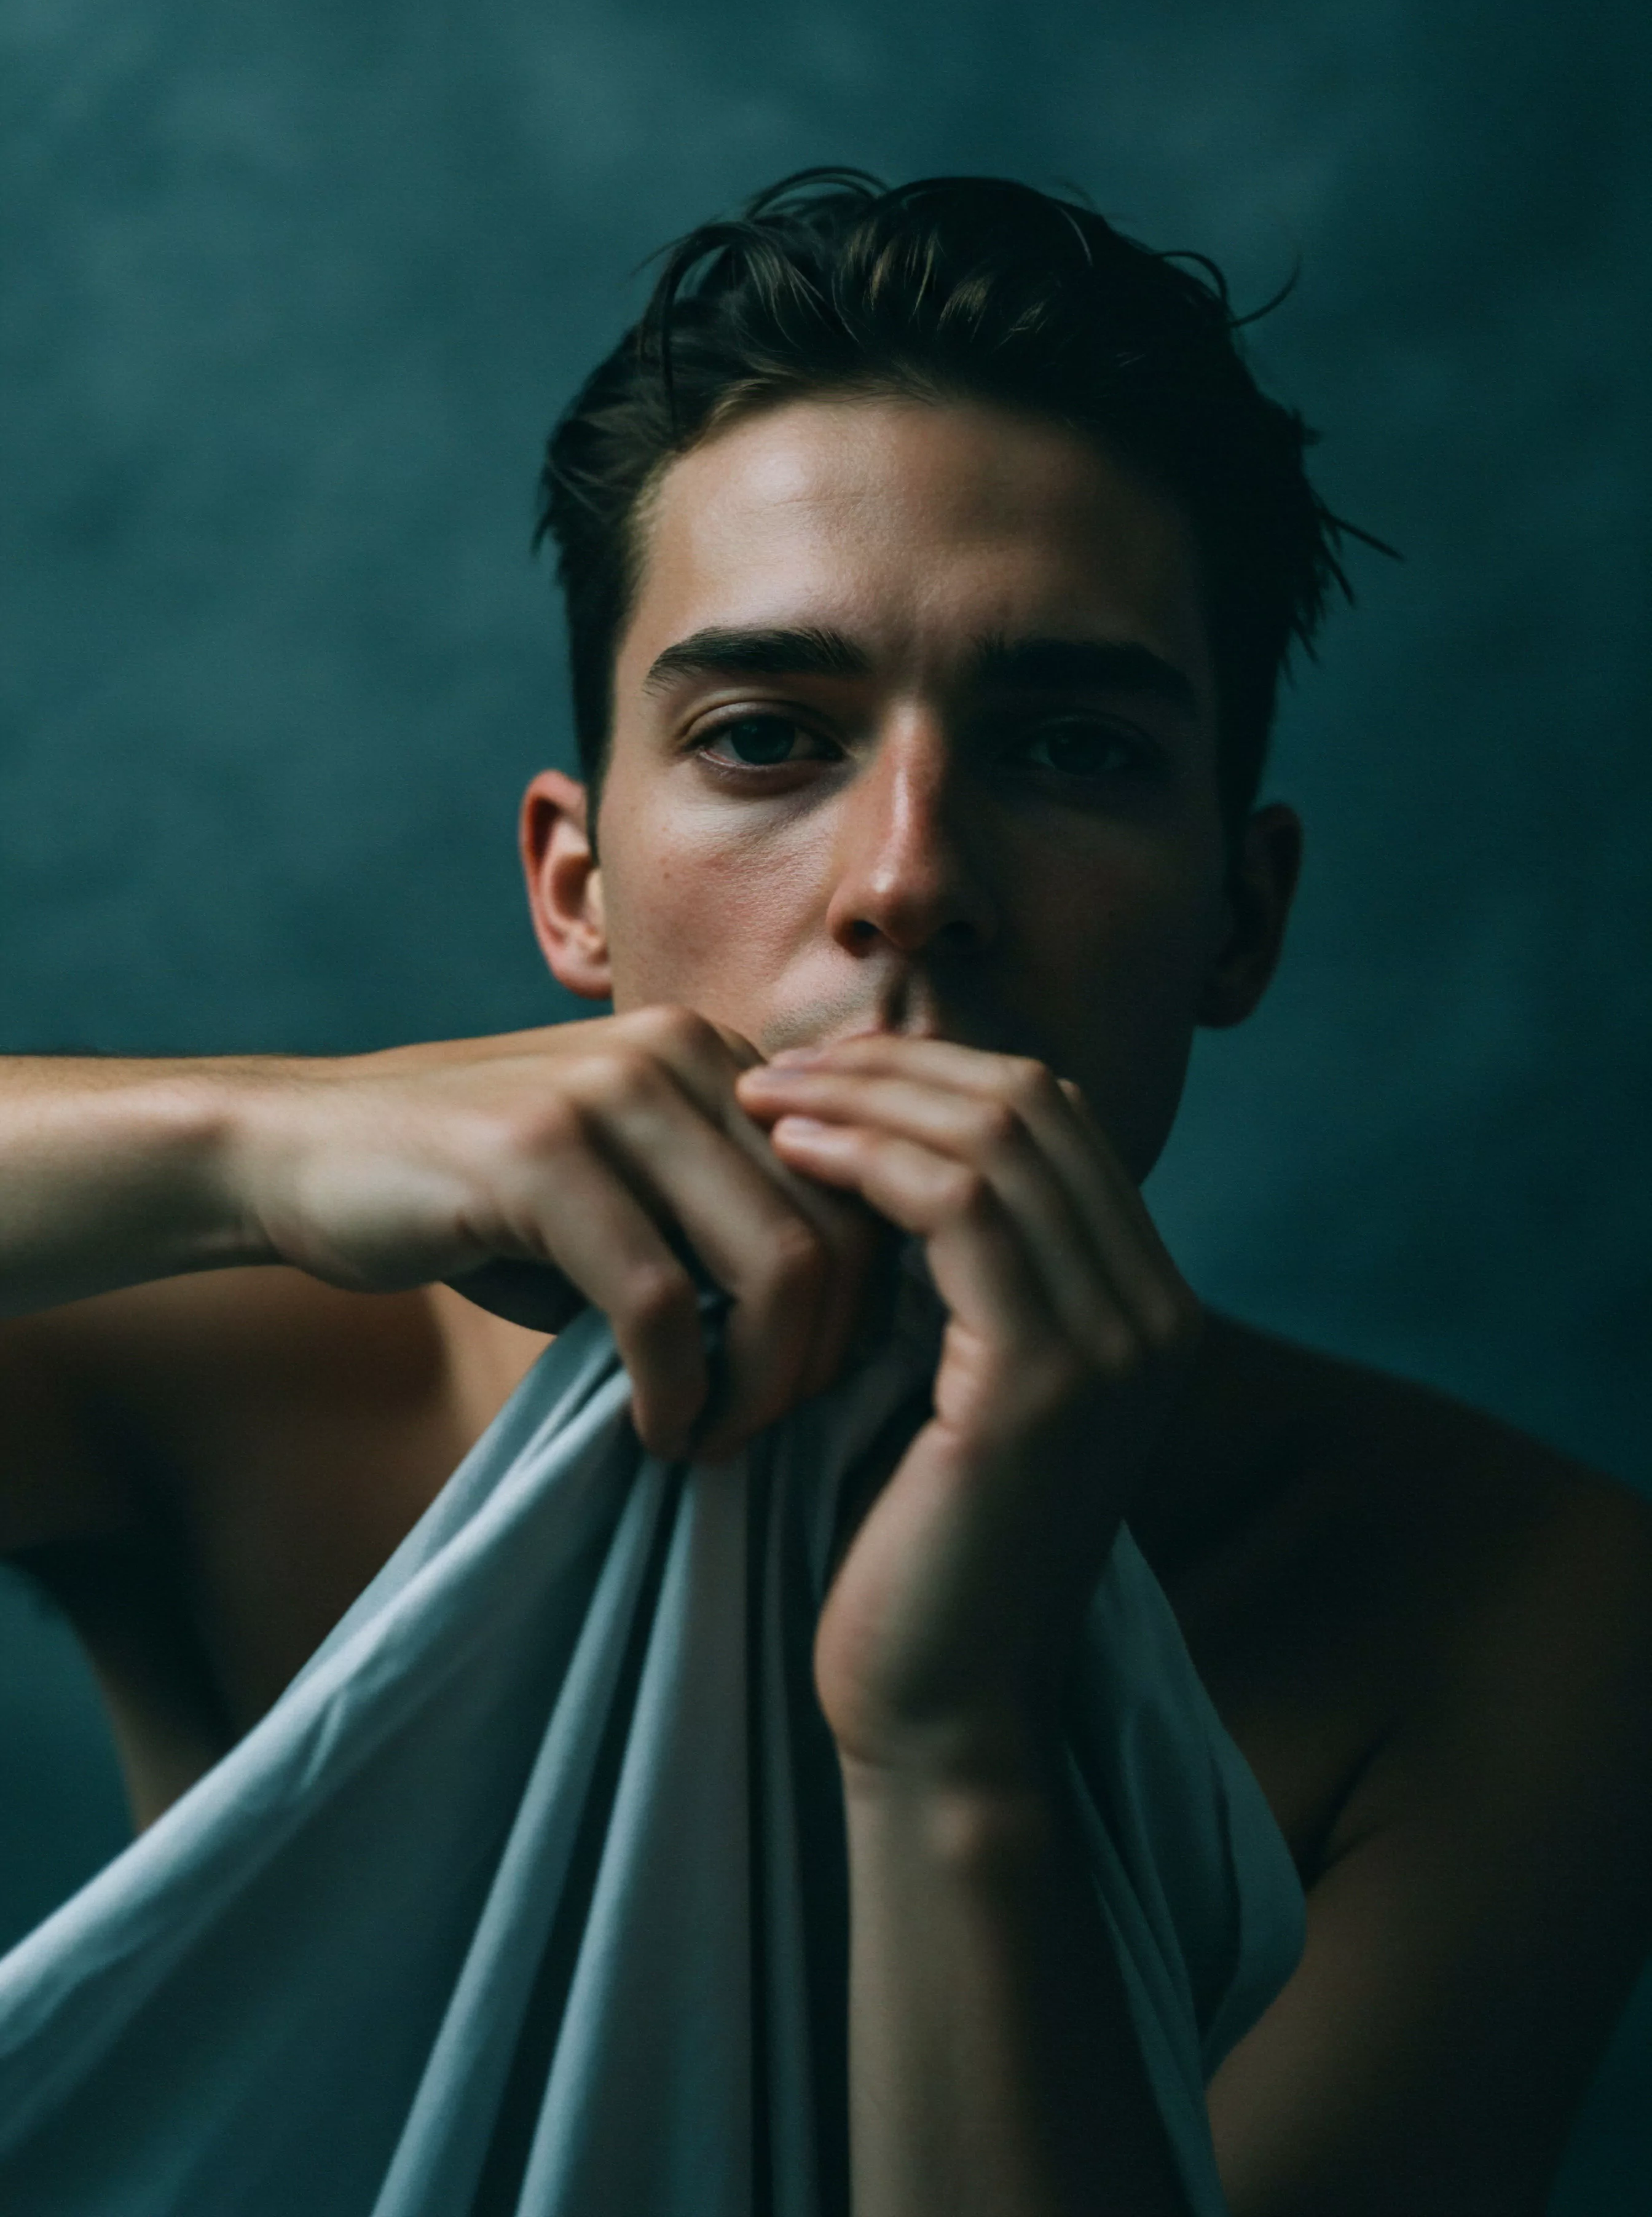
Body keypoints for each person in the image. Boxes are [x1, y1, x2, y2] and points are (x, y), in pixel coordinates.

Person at [1, 171, 1647, 2216]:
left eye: (1071, 750)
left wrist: (955, 1748)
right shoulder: (233, 1371)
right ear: (575, 889)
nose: (908, 877)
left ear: (1240, 916)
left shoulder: (1517, 1609)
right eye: (767, 736)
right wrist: (249, 1142)